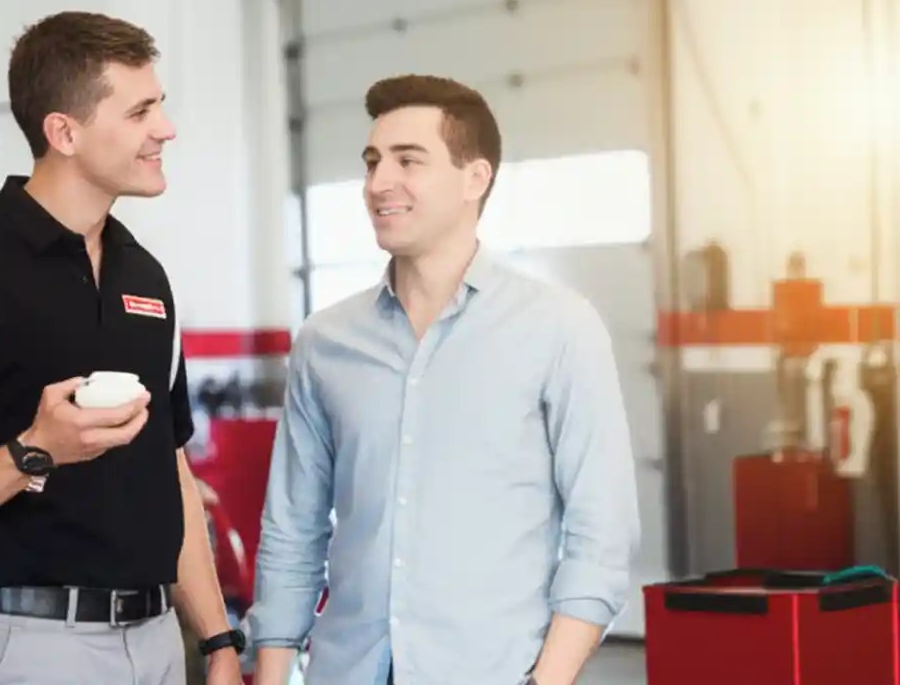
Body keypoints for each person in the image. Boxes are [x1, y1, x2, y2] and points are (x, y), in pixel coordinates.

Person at [0, 12, 245, 685]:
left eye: (159, 106)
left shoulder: (147, 278)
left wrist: (218, 639)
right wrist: (36, 450)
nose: (166, 129)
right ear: (64, 132)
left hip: (159, 643)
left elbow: (172, 471)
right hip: (31, 647)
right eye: (140, 112)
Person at [247, 74, 641, 685]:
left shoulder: (558, 328)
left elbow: (602, 533)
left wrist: (551, 678)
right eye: (373, 162)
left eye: (409, 161)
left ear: (475, 179)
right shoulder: (326, 343)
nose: (379, 184)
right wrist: (270, 676)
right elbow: (293, 527)